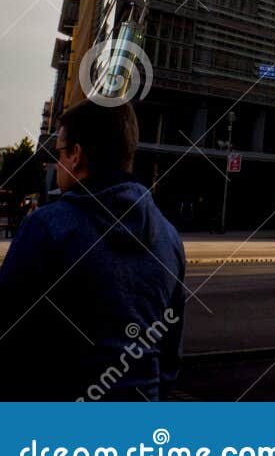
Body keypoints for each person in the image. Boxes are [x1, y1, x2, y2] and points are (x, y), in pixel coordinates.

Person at [0, 100, 185, 401]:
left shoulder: (48, 227)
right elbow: (170, 357)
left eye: (58, 153)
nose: (56, 164)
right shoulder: (169, 238)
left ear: (76, 155)